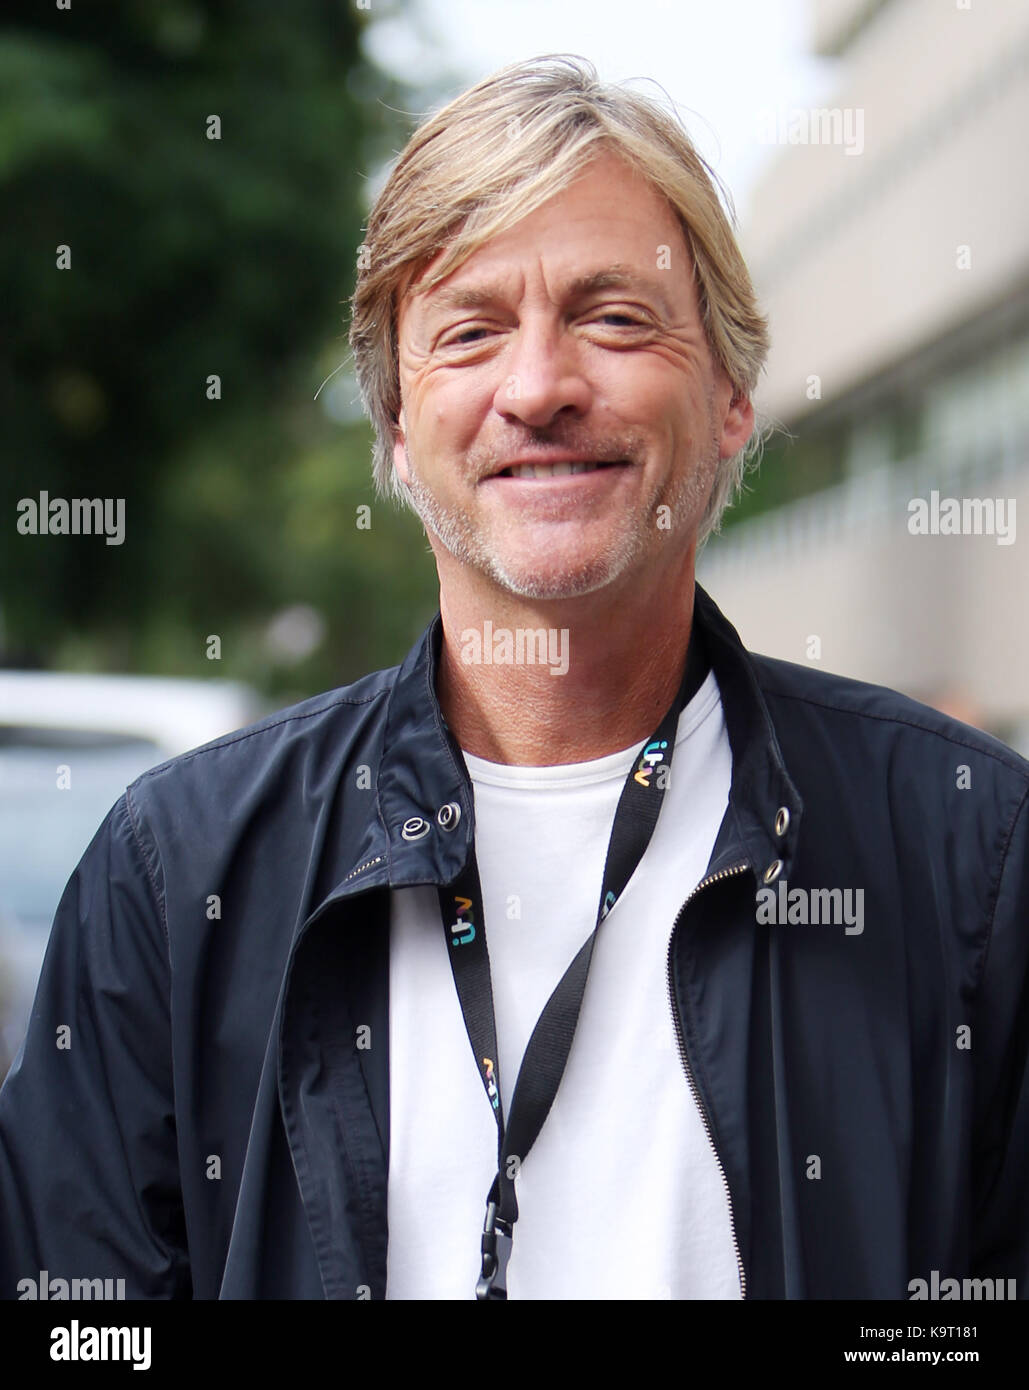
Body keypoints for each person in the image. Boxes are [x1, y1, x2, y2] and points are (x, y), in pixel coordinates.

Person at [2, 53, 1028, 1302]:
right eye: (472, 331)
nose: (538, 388)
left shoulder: (973, 856)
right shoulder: (177, 876)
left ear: (729, 394)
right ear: (393, 423)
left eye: (613, 316)